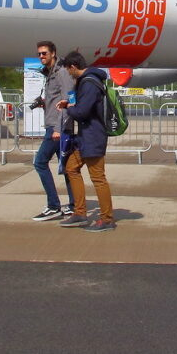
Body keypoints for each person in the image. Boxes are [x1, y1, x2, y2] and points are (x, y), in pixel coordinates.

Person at [56, 52, 115, 232]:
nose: (68, 73)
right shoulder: (87, 81)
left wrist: (69, 109)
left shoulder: (89, 83)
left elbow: (82, 112)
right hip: (85, 137)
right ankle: (80, 212)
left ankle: (106, 219)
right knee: (71, 168)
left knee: (98, 178)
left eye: (68, 69)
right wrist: (71, 104)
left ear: (73, 67)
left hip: (93, 137)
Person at [30, 41, 75, 222]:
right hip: (53, 124)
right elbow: (57, 99)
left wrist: (58, 128)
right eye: (39, 54)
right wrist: (44, 102)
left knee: (40, 162)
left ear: (53, 53)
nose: (41, 56)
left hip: (58, 127)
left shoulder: (62, 72)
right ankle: (73, 205)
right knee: (66, 167)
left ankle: (54, 206)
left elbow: (68, 98)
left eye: (44, 53)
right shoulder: (49, 74)